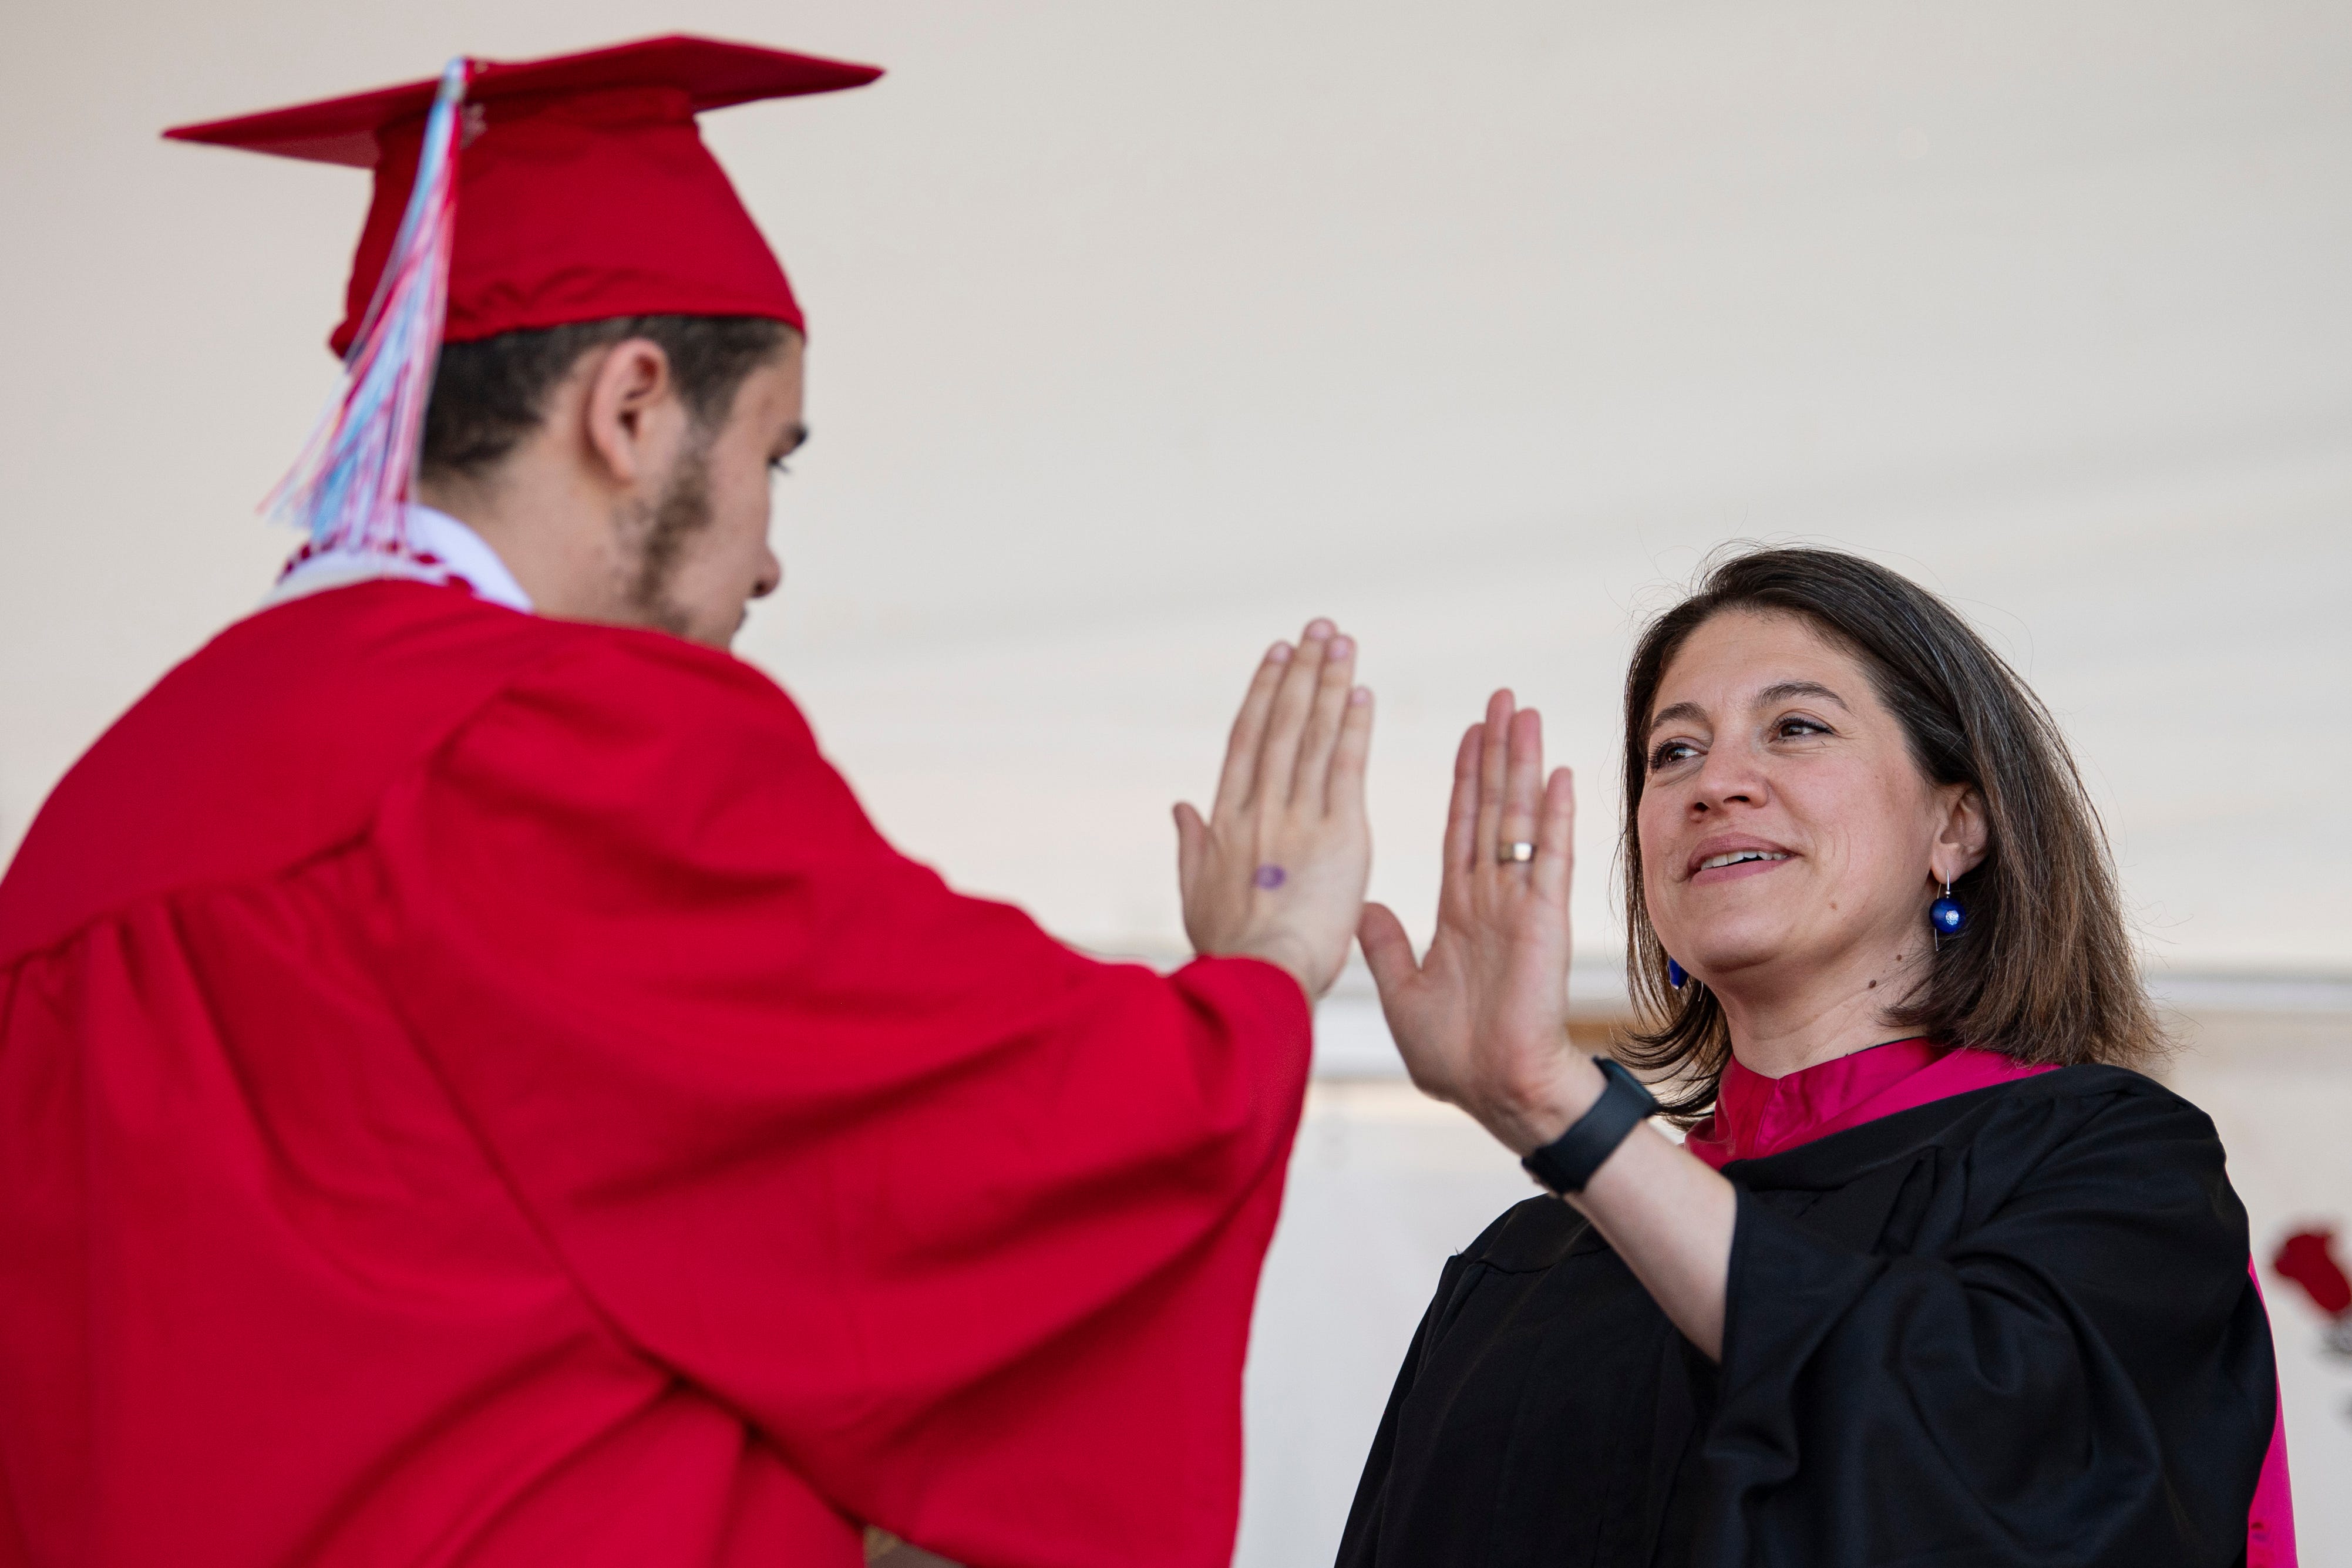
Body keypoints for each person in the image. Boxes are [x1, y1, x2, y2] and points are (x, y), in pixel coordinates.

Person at [0, 36, 1376, 1568]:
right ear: (633, 408)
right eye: (773, 454)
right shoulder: (550, 742)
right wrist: (1257, 975)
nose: (771, 557)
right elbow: (995, 1130)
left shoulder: (98, 817)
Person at [1341, 546, 2291, 1567]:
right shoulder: (1523, 1268)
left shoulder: (2103, 1165)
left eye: (1794, 728)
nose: (1716, 784)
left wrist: (1561, 1112)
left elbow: (1984, 1475)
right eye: (1672, 753)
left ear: (1956, 824)